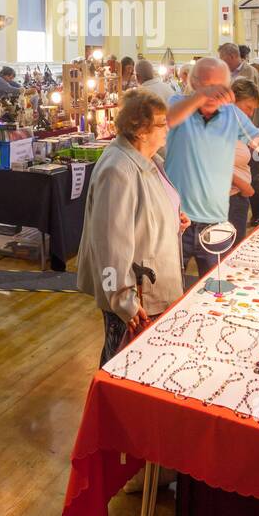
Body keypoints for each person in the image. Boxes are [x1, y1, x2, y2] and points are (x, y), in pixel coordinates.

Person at [77, 91, 189, 365]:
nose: (168, 128)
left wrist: (175, 218)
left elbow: (147, 212)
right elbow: (109, 247)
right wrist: (122, 301)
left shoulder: (150, 160)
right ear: (140, 129)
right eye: (161, 123)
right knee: (125, 366)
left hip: (153, 286)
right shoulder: (118, 170)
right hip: (137, 298)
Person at [165, 56, 259, 278]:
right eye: (209, 86)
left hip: (219, 213)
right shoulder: (179, 104)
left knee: (218, 277)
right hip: (185, 216)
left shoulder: (231, 118)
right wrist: (244, 186)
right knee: (175, 281)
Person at [230, 78, 259, 239]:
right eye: (248, 107)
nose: (250, 114)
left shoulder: (236, 124)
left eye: (254, 110)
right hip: (231, 197)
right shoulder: (228, 121)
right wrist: (245, 187)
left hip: (236, 196)